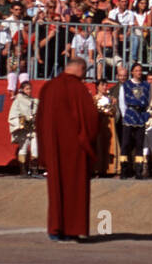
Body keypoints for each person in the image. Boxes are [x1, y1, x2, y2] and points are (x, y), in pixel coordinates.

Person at [38, 58, 100, 241]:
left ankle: (55, 229)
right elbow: (90, 118)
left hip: (53, 146)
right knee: (74, 187)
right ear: (79, 68)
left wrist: (44, 147)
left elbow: (39, 120)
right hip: (74, 148)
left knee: (56, 186)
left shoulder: (48, 88)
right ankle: (72, 229)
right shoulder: (78, 88)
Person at [119, 62, 151, 179]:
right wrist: (125, 115)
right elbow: (122, 102)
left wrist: (144, 112)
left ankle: (139, 170)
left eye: (140, 70)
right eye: (136, 70)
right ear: (132, 72)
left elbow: (149, 99)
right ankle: (124, 169)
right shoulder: (126, 85)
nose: (139, 73)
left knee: (139, 144)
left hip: (141, 115)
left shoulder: (146, 85)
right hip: (130, 114)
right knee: (126, 143)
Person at [8, 81, 39, 175]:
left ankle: (34, 169)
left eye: (30, 89)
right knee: (23, 147)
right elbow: (12, 115)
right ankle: (23, 170)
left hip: (33, 127)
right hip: (23, 128)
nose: (29, 91)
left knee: (35, 148)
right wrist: (21, 122)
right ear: (22, 90)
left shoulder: (35, 101)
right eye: (27, 89)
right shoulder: (18, 100)